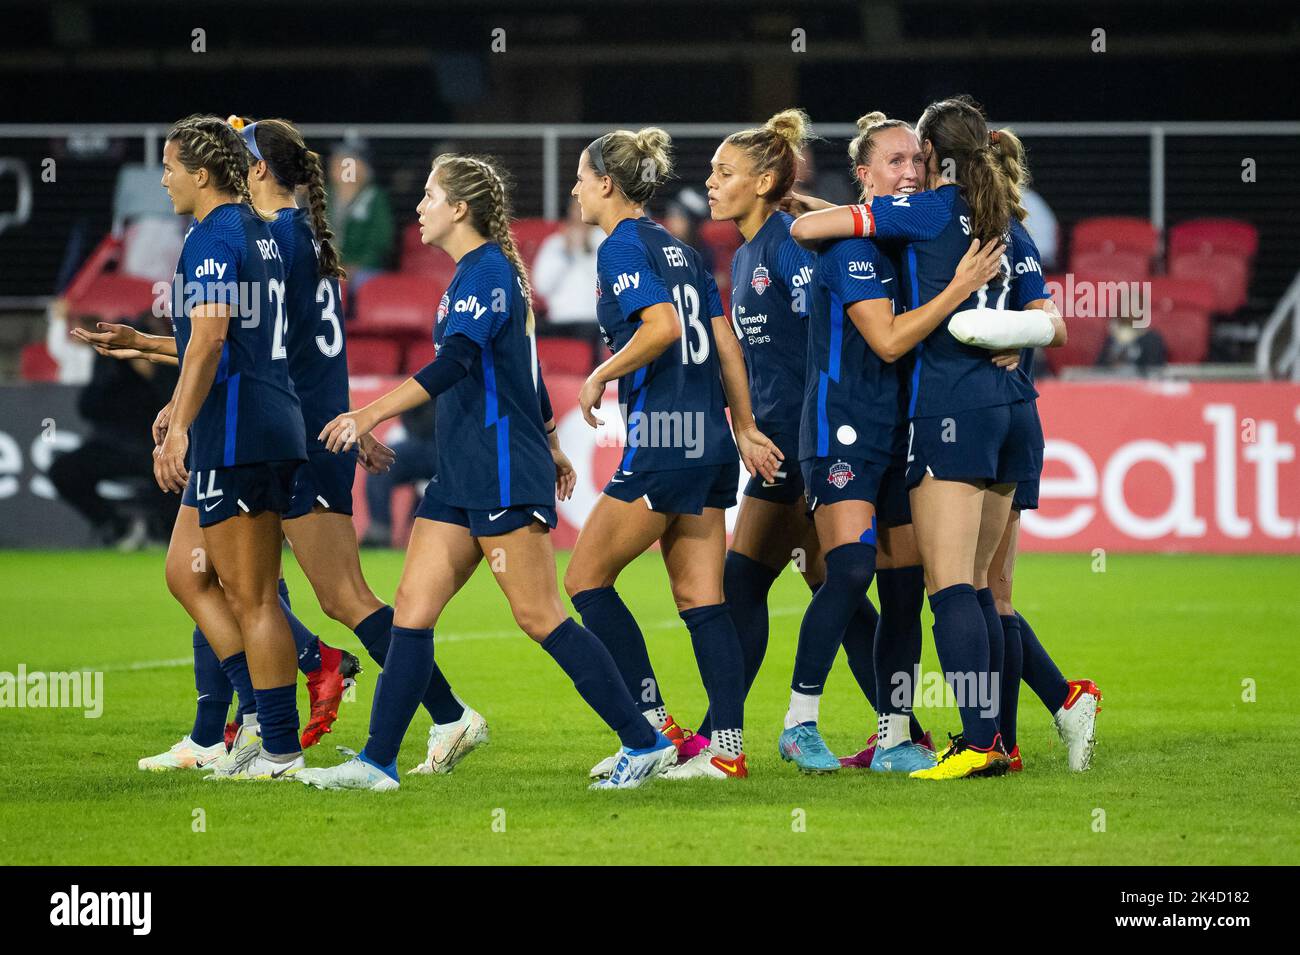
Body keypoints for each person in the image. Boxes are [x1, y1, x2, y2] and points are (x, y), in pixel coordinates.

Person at [299, 153, 678, 792]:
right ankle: (377, 763)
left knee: (539, 616)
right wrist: (556, 443)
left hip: (502, 474)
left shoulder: (489, 273)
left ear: (459, 209)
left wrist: (368, 414)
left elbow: (453, 367)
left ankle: (643, 743)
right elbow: (525, 373)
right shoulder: (477, 275)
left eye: (429, 195)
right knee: (412, 615)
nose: (417, 207)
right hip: (462, 475)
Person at [791, 94, 1067, 780]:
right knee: (978, 589)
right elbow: (1054, 323)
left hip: (946, 415)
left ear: (937, 158)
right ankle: (996, 734)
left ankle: (977, 741)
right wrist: (1008, 330)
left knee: (948, 589)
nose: (910, 169)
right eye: (896, 159)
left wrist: (980, 320)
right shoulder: (1005, 218)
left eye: (917, 156)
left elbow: (811, 232)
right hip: (1002, 412)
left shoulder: (925, 214)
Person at [564, 127, 781, 782]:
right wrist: (741, 425)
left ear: (606, 183)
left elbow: (660, 328)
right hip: (709, 442)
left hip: (664, 440)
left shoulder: (621, 247)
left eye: (580, 176)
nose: (574, 188)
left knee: (584, 580)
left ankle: (651, 727)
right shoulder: (683, 252)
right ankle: (726, 749)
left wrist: (602, 373)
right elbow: (726, 345)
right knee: (699, 596)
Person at [697, 108, 891, 770]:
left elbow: (824, 344)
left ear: (764, 180)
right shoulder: (751, 249)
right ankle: (899, 726)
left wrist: (808, 439)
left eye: (725, 172)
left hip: (804, 447)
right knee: (815, 586)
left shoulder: (785, 247)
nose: (711, 182)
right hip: (780, 444)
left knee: (764, 587)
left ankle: (727, 737)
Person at [149, 114, 310, 779]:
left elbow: (212, 337)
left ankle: (277, 747)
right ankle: (255, 721)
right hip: (255, 420)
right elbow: (218, 340)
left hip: (241, 429)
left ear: (202, 173)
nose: (163, 179)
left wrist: (182, 425)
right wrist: (180, 401)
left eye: (169, 166)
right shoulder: (258, 233)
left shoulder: (214, 236)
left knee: (254, 597)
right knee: (186, 573)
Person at [51, 310, 178, 548]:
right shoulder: (109, 364)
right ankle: (117, 526)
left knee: (175, 477)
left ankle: (166, 534)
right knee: (64, 471)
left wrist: (149, 368)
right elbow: (87, 406)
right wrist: (114, 369)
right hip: (110, 445)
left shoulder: (167, 363)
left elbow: (176, 400)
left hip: (155, 447)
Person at [360, 400, 438, 548]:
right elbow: (408, 413)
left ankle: (469, 531)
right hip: (421, 444)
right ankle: (380, 530)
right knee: (380, 465)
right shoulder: (425, 380)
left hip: (455, 450)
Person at [327, 136, 393, 292]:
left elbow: (381, 240)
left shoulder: (375, 197)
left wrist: (354, 266)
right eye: (337, 161)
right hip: (326, 265)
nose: (338, 165)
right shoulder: (322, 194)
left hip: (363, 269)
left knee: (362, 282)